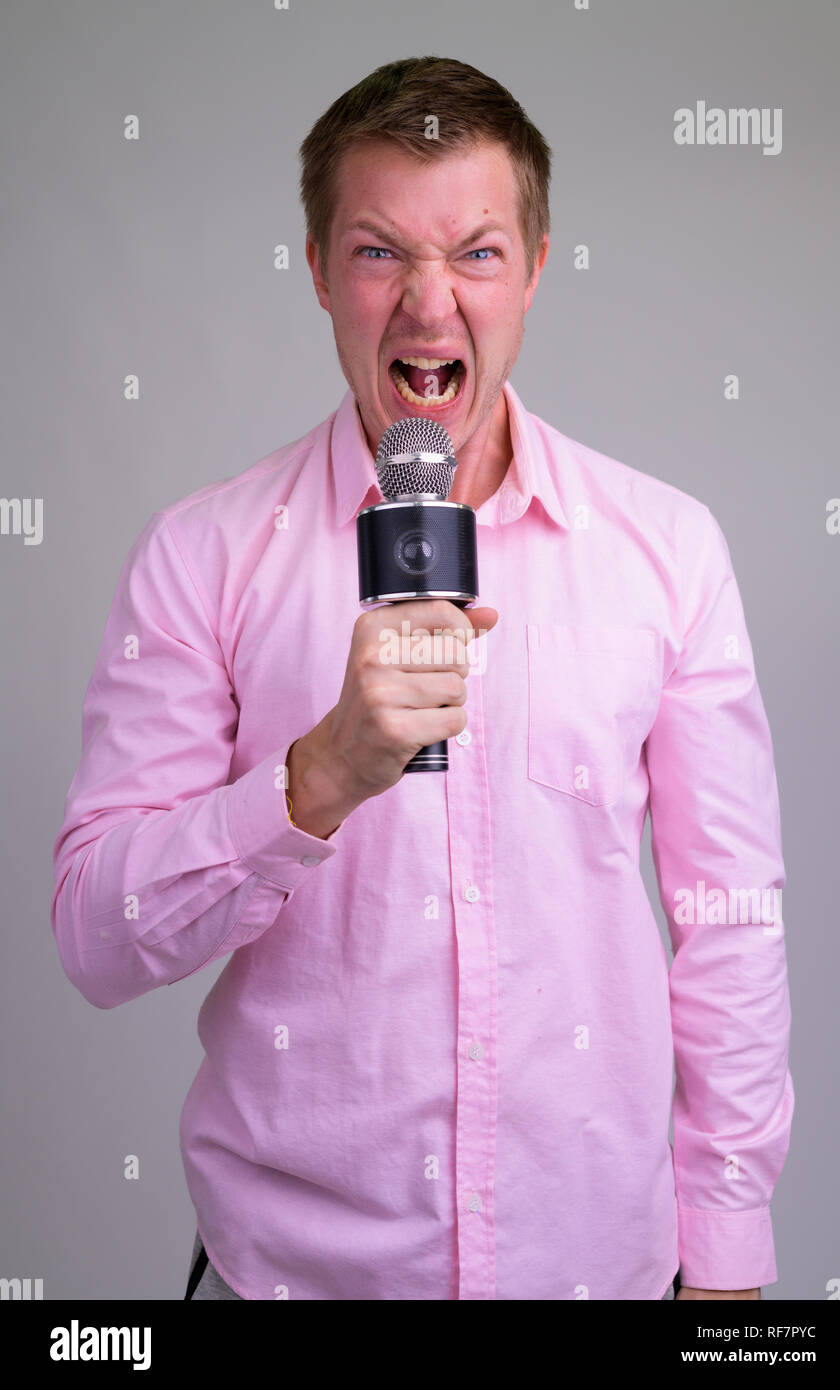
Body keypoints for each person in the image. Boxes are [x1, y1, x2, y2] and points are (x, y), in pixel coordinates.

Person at [51, 56, 793, 1301]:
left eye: (477, 253)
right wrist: (315, 778)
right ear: (316, 268)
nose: (427, 303)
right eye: (378, 252)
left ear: (536, 266)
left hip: (594, 1276)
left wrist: (724, 1261)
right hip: (291, 1280)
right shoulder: (201, 555)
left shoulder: (666, 550)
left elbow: (728, 922)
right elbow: (94, 937)